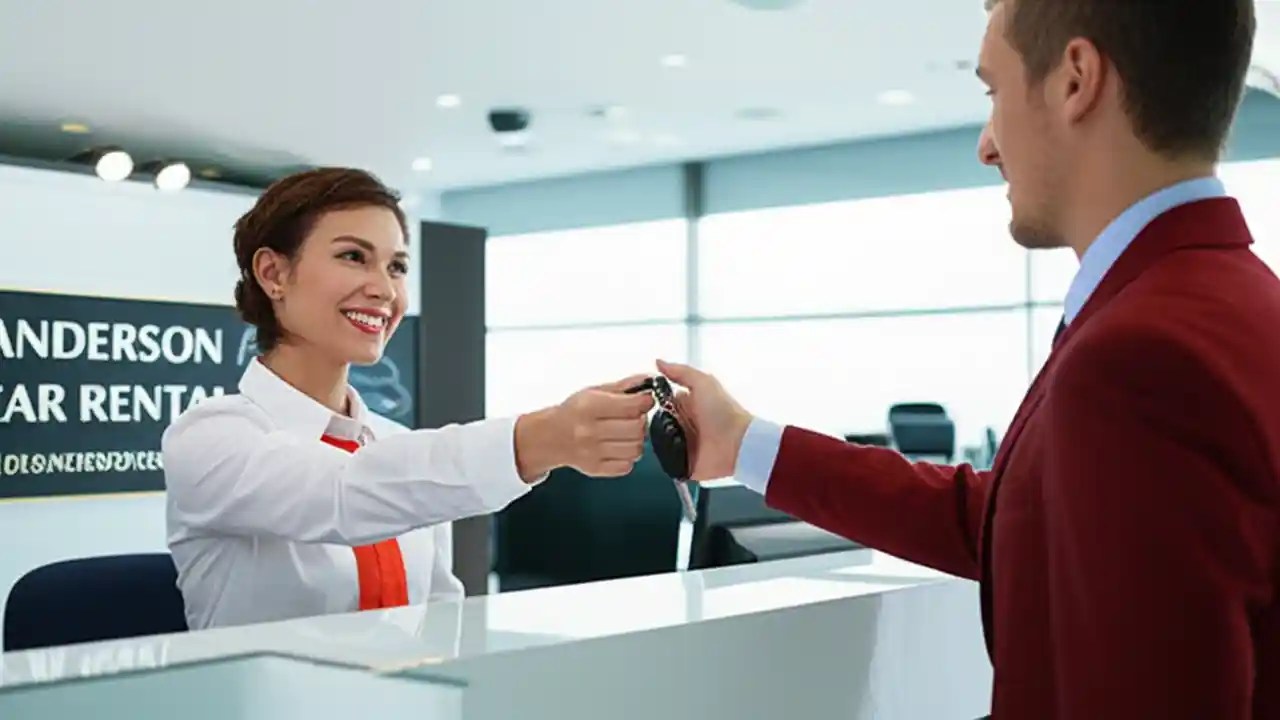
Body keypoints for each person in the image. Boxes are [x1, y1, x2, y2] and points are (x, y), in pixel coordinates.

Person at [658, 0, 1280, 717]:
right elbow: (1012, 519)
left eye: (993, 91)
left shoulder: (1137, 359)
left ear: (1075, 79)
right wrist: (745, 445)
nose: (987, 144)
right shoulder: (1233, 304)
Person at [162, 167, 654, 630]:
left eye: (396, 266)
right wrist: (542, 439)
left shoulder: (394, 446)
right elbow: (343, 495)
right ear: (274, 274)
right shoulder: (210, 438)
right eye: (353, 256)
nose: (384, 289)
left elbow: (438, 618)